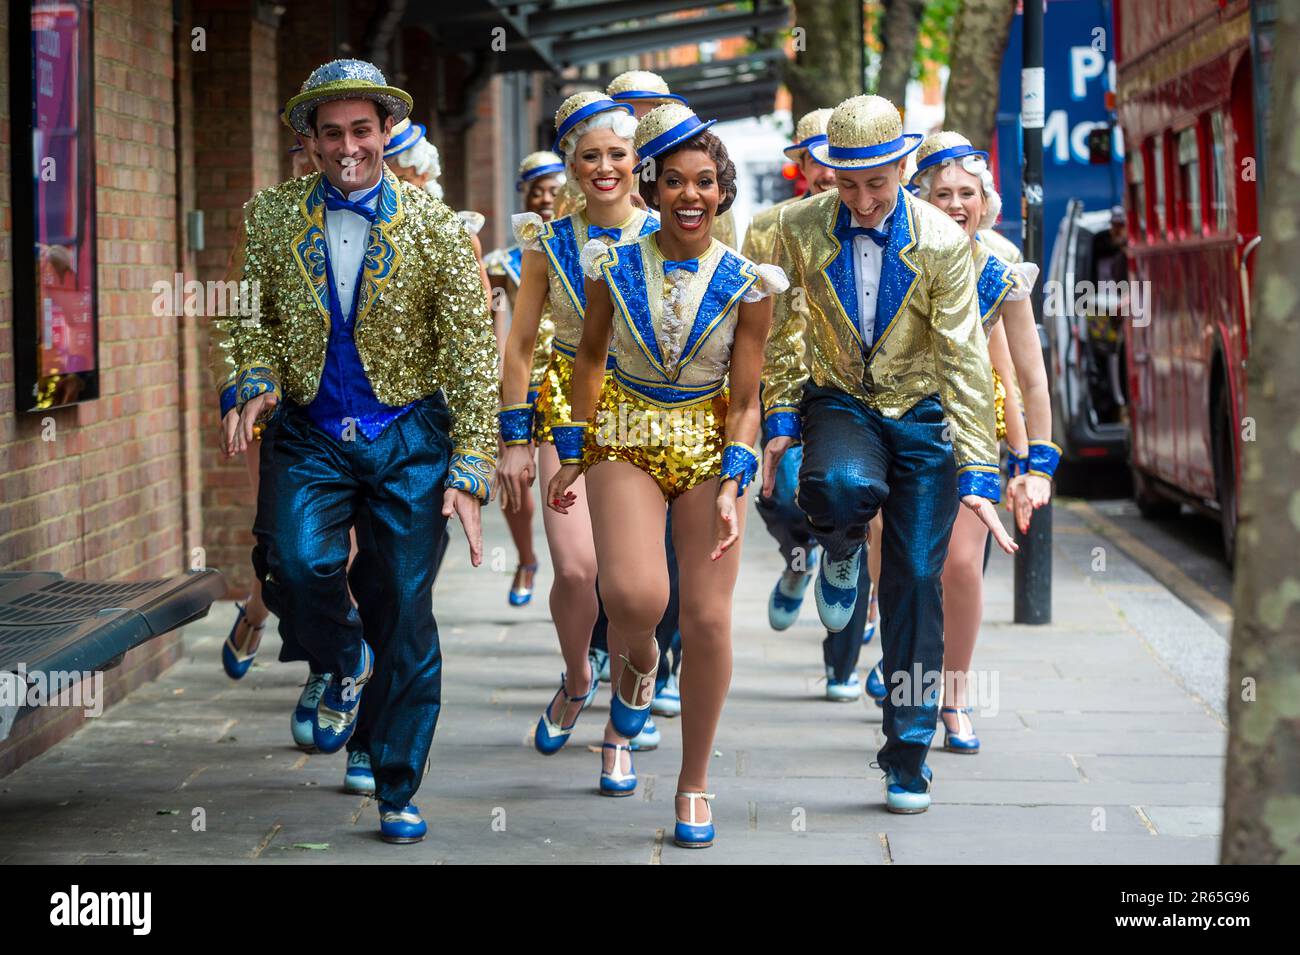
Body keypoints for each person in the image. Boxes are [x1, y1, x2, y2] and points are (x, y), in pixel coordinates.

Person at [213, 59, 499, 844]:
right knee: (294, 563)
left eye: (362, 131)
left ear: (386, 133)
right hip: (308, 427)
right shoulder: (269, 218)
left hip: (407, 435)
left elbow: (472, 355)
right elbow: (248, 319)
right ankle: (342, 661)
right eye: (330, 133)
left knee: (403, 607)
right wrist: (255, 377)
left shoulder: (440, 229)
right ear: (308, 140)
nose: (347, 148)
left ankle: (394, 777)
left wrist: (472, 466)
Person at [760, 95, 1015, 815]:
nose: (864, 199)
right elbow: (783, 327)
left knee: (914, 579)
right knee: (836, 483)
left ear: (904, 166)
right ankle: (837, 549)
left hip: (925, 417)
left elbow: (967, 360)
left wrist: (980, 472)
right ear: (828, 173)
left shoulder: (941, 240)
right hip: (841, 400)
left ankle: (908, 753)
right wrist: (780, 414)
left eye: (877, 181)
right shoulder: (798, 228)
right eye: (848, 183)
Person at [547, 102, 785, 846]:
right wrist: (576, 446)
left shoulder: (751, 283)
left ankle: (692, 782)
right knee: (632, 595)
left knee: (710, 619)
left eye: (705, 182)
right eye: (675, 181)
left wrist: (739, 478)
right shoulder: (610, 265)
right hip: (624, 436)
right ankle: (641, 662)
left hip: (710, 448)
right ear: (651, 190)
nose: (690, 195)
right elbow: (588, 357)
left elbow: (747, 397)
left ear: (722, 193)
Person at [497, 91, 658, 767]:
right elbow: (521, 345)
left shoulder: (666, 232)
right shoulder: (546, 244)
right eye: (589, 155)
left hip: (646, 413)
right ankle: (576, 677)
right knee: (575, 566)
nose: (604, 167)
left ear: (635, 161)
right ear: (570, 164)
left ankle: (623, 723)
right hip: (563, 409)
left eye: (617, 154)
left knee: (630, 585)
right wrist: (510, 440)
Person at [910, 132, 1056, 753]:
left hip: (969, 433)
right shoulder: (893, 258)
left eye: (966, 192)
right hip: (897, 428)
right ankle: (905, 680)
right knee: (905, 569)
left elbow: (1027, 372)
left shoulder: (1001, 273)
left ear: (985, 201)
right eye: (941, 193)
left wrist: (1036, 464)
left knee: (961, 565)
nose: (954, 203)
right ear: (920, 201)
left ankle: (954, 696)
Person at [744, 107, 884, 703]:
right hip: (782, 387)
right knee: (783, 499)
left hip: (848, 394)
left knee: (854, 512)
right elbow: (752, 318)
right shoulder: (772, 225)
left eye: (840, 158)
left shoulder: (872, 218)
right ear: (799, 163)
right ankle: (797, 562)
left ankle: (841, 663)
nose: (830, 171)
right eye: (818, 157)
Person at [484, 151, 566, 606]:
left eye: (554, 190)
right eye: (537, 192)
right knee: (515, 481)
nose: (546, 199)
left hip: (568, 381)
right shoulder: (504, 261)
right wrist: (501, 375)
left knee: (563, 481)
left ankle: (569, 565)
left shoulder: (582, 250)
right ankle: (526, 558)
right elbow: (501, 318)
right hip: (522, 378)